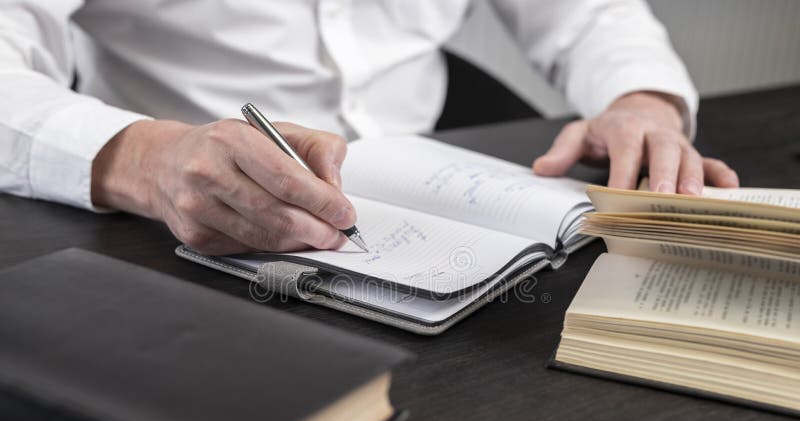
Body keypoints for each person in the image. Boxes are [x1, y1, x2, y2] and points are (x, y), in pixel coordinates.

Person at [0, 1, 739, 255]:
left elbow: (588, 17)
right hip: (171, 224)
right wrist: (148, 158)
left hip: (444, 181)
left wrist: (641, 101)